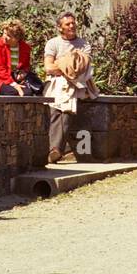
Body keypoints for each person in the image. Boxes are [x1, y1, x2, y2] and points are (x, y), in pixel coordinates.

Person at [43, 11, 98, 163]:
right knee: (56, 110)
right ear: (60, 27)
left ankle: (56, 150)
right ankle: (56, 150)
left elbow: (82, 68)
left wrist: (61, 64)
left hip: (79, 84)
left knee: (68, 108)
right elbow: (48, 67)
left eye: (73, 23)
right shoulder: (53, 43)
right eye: (68, 24)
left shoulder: (84, 44)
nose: (72, 26)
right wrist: (68, 65)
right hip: (57, 83)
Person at [0, 19, 44, 96]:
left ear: (17, 38)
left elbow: (26, 66)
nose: (4, 37)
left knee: (28, 92)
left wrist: (22, 73)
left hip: (15, 79)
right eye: (4, 33)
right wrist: (14, 85)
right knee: (13, 92)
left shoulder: (25, 48)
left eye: (8, 35)